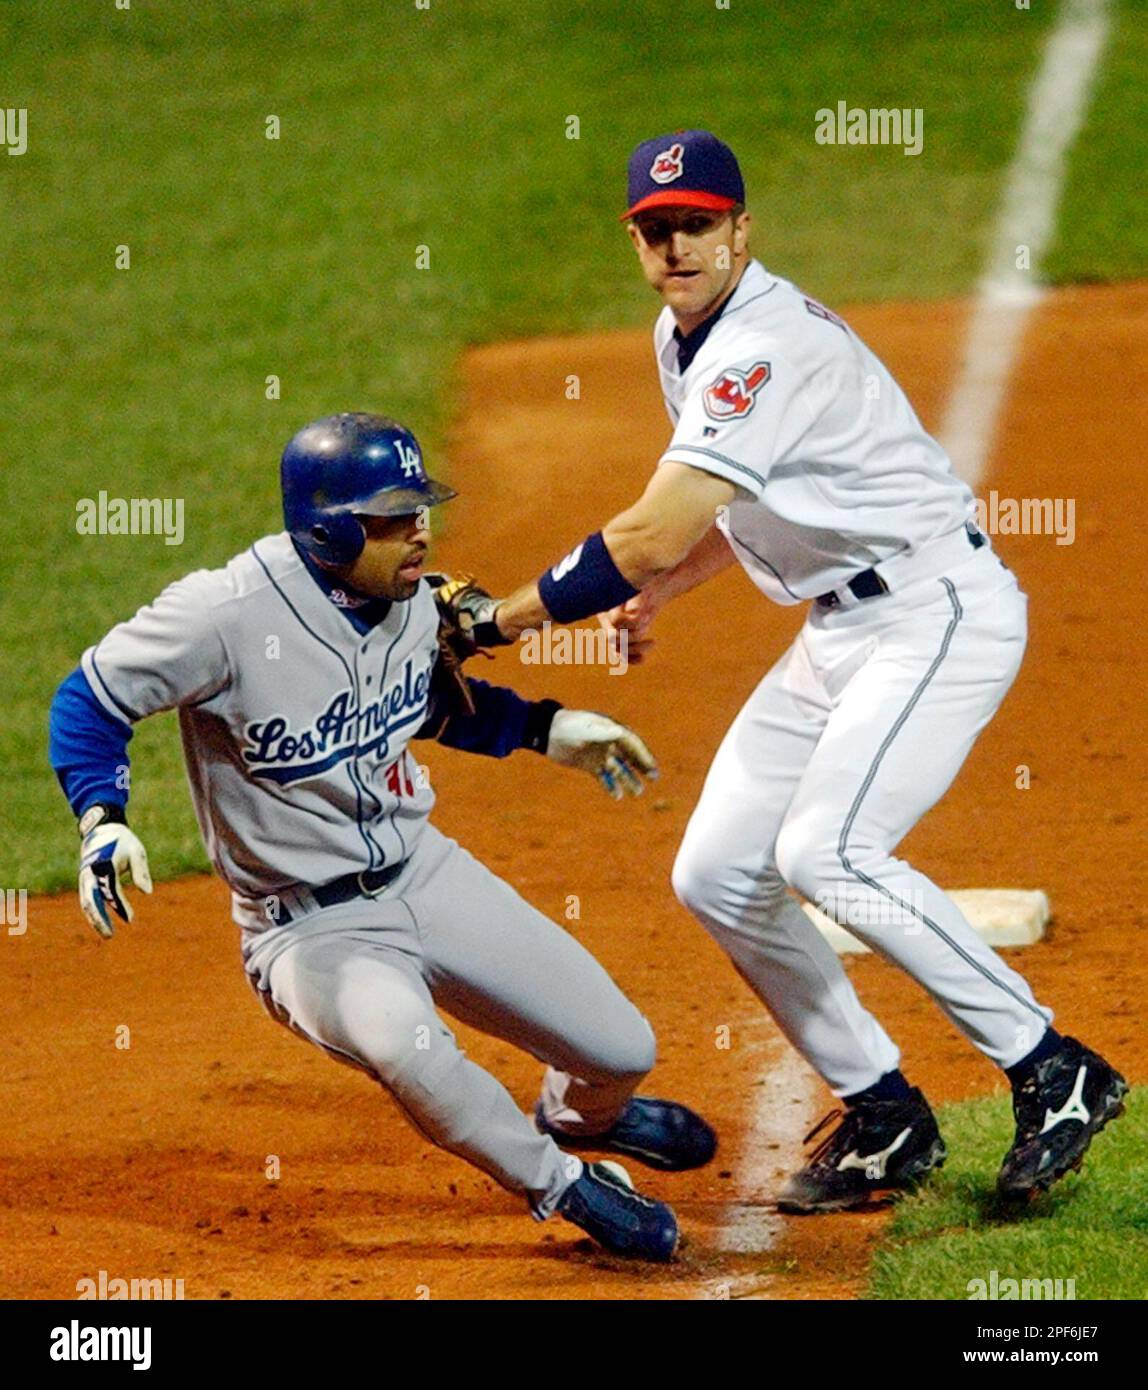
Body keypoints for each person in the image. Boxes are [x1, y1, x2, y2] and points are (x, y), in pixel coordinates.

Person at [473, 130, 1126, 1211]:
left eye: (695, 224)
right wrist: (668, 591)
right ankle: (884, 1113)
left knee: (826, 848)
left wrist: (500, 620)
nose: (675, 245)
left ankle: (1049, 1067)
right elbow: (738, 502)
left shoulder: (758, 346)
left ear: (739, 229)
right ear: (636, 240)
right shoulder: (680, 336)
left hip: (933, 611)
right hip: (838, 630)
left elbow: (646, 529)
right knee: (717, 872)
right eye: (655, 228)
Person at [48, 411, 718, 1262]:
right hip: (306, 927)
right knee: (410, 1051)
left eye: (421, 510)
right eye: (393, 518)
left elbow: (416, 704)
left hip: (425, 874)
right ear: (328, 528)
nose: (420, 533)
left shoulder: (405, 601)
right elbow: (89, 699)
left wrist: (546, 729)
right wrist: (102, 819)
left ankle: (580, 1117)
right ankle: (563, 1186)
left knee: (623, 1049)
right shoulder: (219, 616)